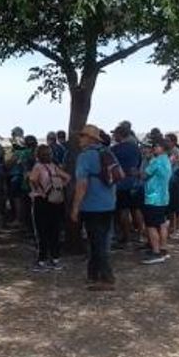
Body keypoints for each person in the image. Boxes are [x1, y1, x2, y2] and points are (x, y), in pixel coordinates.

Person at [71, 124, 117, 290]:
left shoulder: (84, 157)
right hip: (109, 204)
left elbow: (81, 185)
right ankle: (93, 274)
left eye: (82, 136)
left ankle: (106, 278)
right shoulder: (108, 153)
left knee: (96, 243)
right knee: (101, 241)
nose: (80, 138)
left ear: (90, 139)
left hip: (92, 206)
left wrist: (75, 208)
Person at [29, 144, 70, 272]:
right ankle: (55, 258)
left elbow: (32, 179)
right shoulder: (53, 167)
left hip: (42, 201)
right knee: (55, 230)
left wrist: (39, 190)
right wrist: (59, 187)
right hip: (55, 200)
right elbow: (68, 177)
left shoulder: (38, 167)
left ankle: (42, 260)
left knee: (42, 231)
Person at [111, 124, 144, 248]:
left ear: (120, 135)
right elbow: (140, 162)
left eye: (115, 134)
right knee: (136, 209)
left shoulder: (114, 150)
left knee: (123, 210)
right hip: (135, 182)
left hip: (121, 183)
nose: (114, 136)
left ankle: (127, 237)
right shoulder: (136, 148)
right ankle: (140, 234)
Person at [141, 137, 173, 265]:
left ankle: (156, 252)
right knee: (162, 223)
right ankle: (163, 249)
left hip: (153, 197)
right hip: (164, 197)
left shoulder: (156, 161)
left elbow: (144, 175)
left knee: (151, 226)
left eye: (155, 146)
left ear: (162, 148)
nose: (153, 148)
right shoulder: (167, 160)